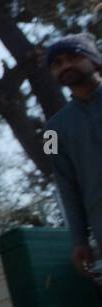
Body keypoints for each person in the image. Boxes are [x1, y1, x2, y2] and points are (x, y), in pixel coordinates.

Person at [44, 33, 102, 279]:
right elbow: (65, 184)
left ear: (95, 61)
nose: (65, 66)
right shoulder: (52, 130)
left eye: (74, 57)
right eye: (56, 63)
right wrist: (79, 240)